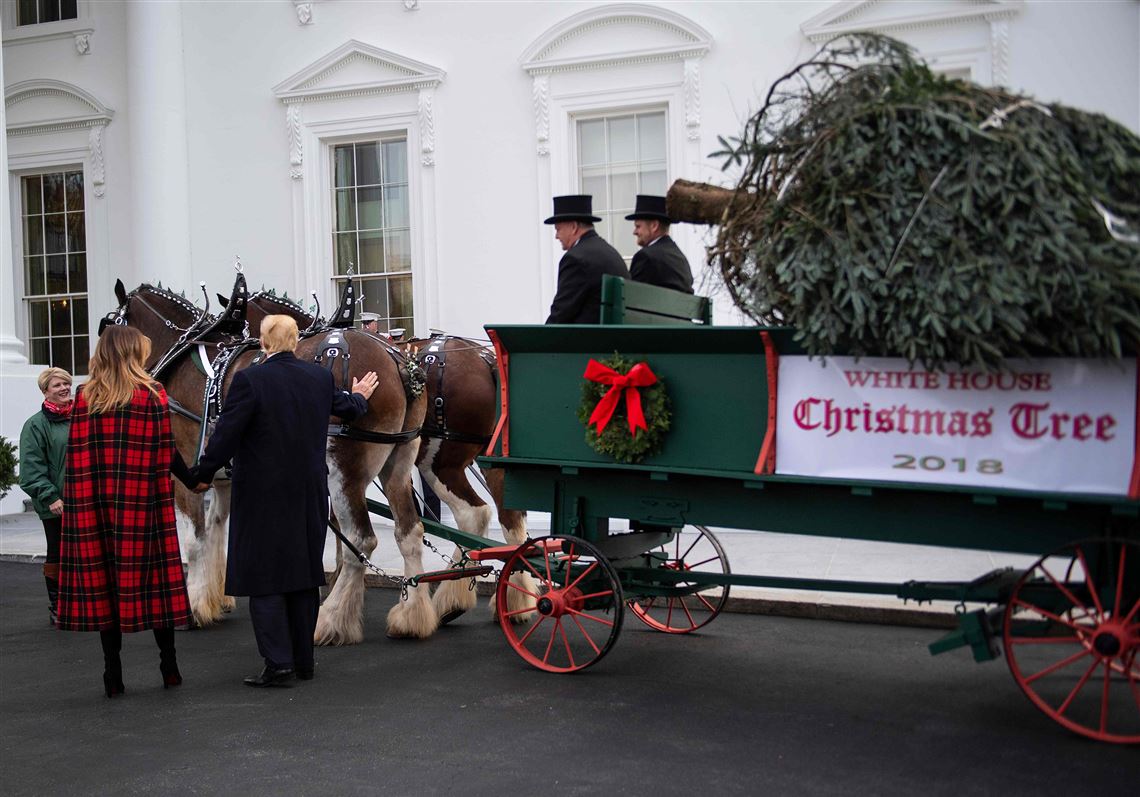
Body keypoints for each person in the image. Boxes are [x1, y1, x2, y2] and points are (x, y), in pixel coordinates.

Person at [190, 315, 379, 688]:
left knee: (266, 581)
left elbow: (225, 438)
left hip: (262, 497)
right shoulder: (319, 378)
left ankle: (278, 665)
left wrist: (202, 474)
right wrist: (361, 395)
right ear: (295, 342)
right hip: (309, 494)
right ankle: (304, 661)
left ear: (263, 343)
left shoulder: (249, 381)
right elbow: (350, 408)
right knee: (303, 577)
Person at [56, 325, 196, 698]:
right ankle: (169, 667)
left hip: (96, 506)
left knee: (106, 587)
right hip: (142, 507)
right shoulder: (152, 395)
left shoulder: (85, 397)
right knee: (158, 587)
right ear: (133, 354)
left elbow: (77, 456)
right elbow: (167, 452)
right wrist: (194, 479)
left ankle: (112, 674)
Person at [18, 367, 73, 626]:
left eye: (66, 383)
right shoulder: (35, 426)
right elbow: (30, 470)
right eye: (57, 385)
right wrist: (51, 496)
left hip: (83, 499)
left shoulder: (81, 418)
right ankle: (58, 605)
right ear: (45, 391)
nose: (64, 388)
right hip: (56, 503)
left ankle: (82, 601)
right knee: (58, 553)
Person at [544, 194, 629, 324]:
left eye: (558, 229)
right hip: (615, 337)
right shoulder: (610, 252)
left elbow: (561, 314)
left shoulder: (575, 259)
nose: (556, 236)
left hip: (589, 340)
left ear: (573, 227)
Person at [626, 194, 694, 294]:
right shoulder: (681, 259)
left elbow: (631, 297)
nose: (634, 232)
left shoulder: (646, 257)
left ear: (654, 226)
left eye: (638, 226)